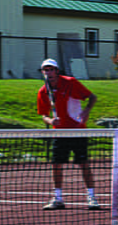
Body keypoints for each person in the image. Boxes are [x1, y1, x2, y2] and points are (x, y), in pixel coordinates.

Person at [36, 58, 99, 210]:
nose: (48, 72)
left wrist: (85, 112)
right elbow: (43, 115)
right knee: (56, 165)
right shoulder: (43, 91)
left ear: (57, 71)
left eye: (51, 69)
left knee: (83, 164)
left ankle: (91, 197)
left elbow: (92, 97)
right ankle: (58, 198)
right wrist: (51, 121)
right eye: (45, 70)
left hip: (77, 130)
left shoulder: (70, 82)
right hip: (59, 133)